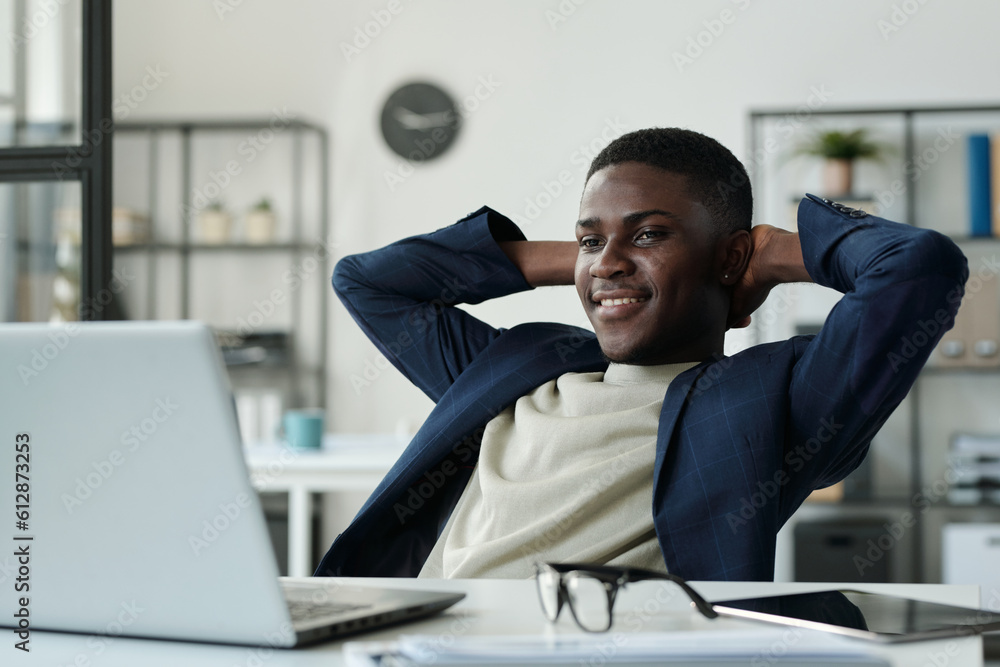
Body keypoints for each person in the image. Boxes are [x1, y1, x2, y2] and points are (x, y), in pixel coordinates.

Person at [315, 127, 968, 581]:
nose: (607, 263)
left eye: (651, 232)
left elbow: (917, 268)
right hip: (426, 639)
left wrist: (766, 251)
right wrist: (597, 257)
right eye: (589, 240)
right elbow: (368, 281)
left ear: (729, 255)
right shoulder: (519, 366)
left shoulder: (773, 400)